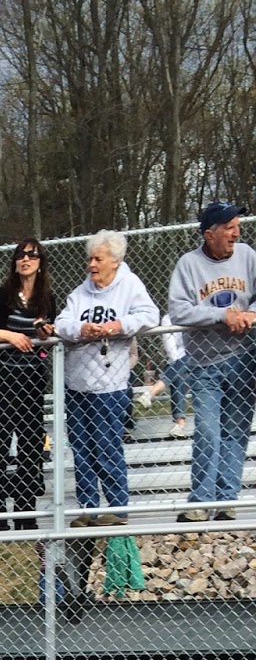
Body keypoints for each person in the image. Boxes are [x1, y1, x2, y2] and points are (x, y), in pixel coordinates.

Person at [54, 231, 158, 522]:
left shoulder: (130, 285)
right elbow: (61, 324)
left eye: (98, 259)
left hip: (110, 387)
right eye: (89, 259)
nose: (91, 265)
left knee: (107, 448)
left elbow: (150, 315)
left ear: (115, 260)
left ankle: (117, 510)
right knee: (81, 451)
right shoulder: (80, 293)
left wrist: (119, 325)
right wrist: (81, 330)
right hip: (76, 385)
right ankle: (89, 510)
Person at [167, 202, 256, 522]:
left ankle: (227, 498)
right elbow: (179, 311)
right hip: (204, 363)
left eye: (237, 225)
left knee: (235, 431)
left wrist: (250, 314)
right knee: (207, 431)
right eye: (229, 227)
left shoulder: (247, 255)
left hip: (243, 358)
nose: (237, 232)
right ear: (209, 234)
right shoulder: (188, 265)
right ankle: (201, 500)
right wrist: (222, 315)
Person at [0, 238, 57, 531]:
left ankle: (25, 514)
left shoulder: (46, 298)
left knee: (31, 447)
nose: (26, 259)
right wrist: (9, 336)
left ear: (40, 262)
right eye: (21, 255)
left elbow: (49, 333)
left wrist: (45, 332)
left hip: (30, 383)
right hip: (0, 383)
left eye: (32, 255)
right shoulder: (2, 295)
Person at [139, 316, 190, 438]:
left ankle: (149, 394)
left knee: (183, 364)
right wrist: (178, 364)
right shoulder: (168, 318)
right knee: (179, 374)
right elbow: (170, 347)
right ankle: (179, 426)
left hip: (200, 358)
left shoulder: (194, 311)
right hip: (179, 362)